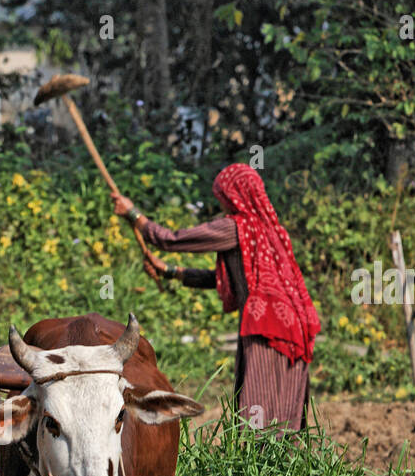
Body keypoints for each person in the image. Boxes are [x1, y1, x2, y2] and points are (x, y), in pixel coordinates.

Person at [112, 163, 320, 430]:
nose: (222, 204)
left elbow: (170, 240)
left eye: (223, 197)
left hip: (265, 327)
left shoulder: (237, 228)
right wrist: (172, 271)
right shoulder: (271, 231)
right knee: (282, 406)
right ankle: (285, 467)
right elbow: (228, 279)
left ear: (235, 195)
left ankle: (259, 466)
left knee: (258, 400)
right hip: (292, 330)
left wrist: (133, 214)